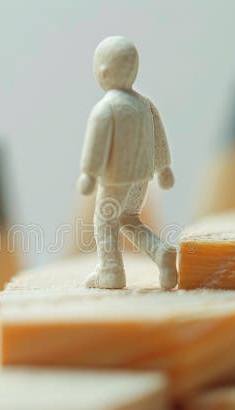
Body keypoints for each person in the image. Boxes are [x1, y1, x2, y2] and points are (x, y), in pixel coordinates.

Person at [77, 35, 177, 290]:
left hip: (115, 181)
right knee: (130, 220)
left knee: (105, 220)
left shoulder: (105, 109)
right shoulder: (145, 105)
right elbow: (159, 139)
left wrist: (88, 174)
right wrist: (163, 168)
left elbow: (96, 146)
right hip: (141, 180)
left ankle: (110, 271)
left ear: (104, 72)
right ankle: (160, 252)